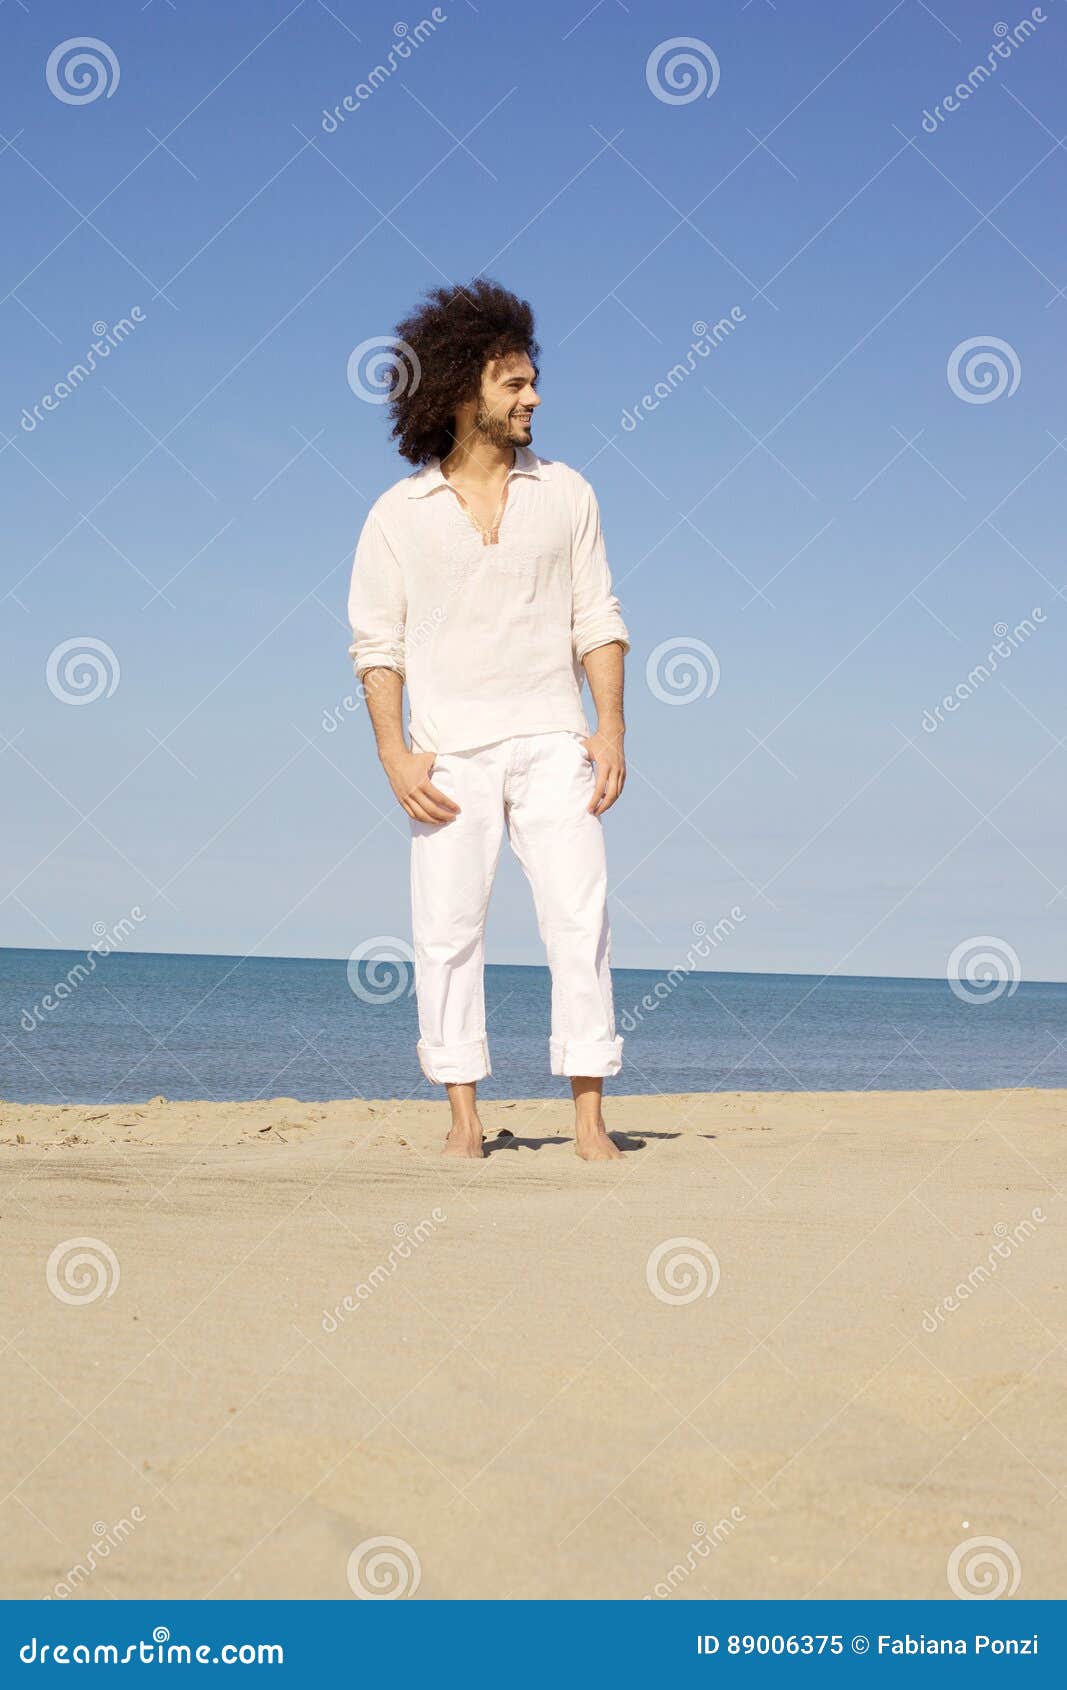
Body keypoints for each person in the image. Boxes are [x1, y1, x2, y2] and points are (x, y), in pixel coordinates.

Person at [347, 278, 629, 1162]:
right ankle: (463, 1121)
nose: (533, 396)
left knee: (580, 921)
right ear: (463, 388)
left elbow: (599, 619)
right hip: (448, 756)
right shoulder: (399, 515)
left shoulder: (567, 492)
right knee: (446, 933)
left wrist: (609, 729)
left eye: (532, 380)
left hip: (554, 741)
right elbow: (376, 647)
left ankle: (588, 1121)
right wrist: (394, 754)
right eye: (513, 382)